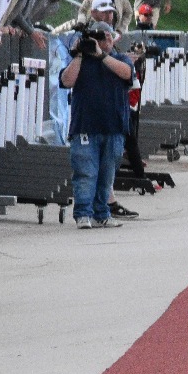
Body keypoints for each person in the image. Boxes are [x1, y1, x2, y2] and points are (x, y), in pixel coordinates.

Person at [60, 20, 136, 228]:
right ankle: (83, 214)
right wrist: (80, 54)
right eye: (102, 36)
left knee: (106, 175)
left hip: (114, 128)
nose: (108, 39)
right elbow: (66, 81)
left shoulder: (120, 59)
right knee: (85, 173)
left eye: (110, 35)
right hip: (85, 127)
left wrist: (101, 55)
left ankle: (102, 213)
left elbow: (127, 73)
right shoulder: (81, 61)